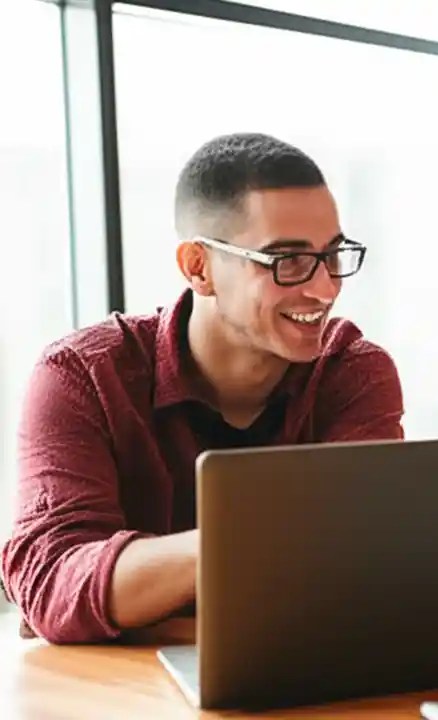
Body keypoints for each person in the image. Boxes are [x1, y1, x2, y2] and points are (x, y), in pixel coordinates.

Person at [1, 133, 405, 643]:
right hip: (117, 696)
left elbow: (361, 575)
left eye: (332, 255)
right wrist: (241, 543)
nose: (324, 288)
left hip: (295, 684)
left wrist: (153, 600)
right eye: (288, 261)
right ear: (199, 267)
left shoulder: (353, 374)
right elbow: (52, 580)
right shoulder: (82, 375)